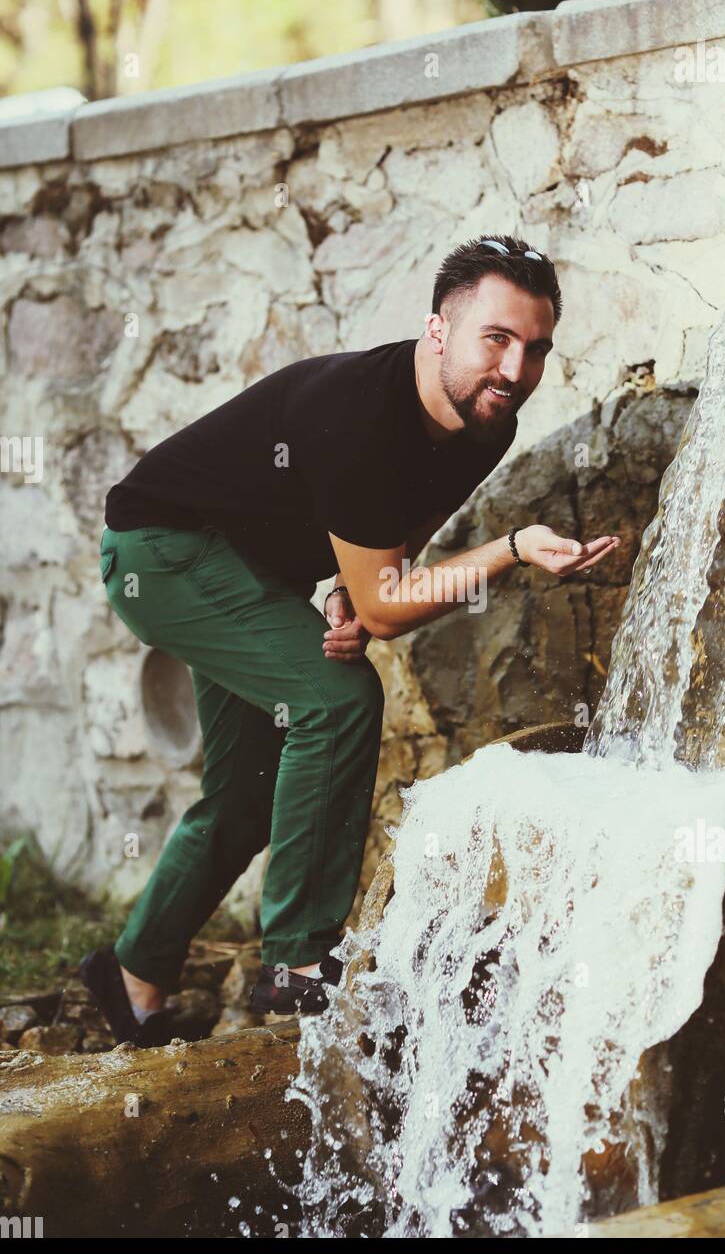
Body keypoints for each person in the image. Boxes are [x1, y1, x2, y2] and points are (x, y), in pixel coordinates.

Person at [80, 233, 620, 1046]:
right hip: (161, 553)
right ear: (438, 329)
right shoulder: (362, 418)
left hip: (247, 572)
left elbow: (397, 547)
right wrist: (509, 551)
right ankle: (296, 961)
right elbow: (394, 606)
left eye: (536, 349)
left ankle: (132, 974)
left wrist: (349, 595)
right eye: (496, 340)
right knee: (336, 698)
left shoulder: (485, 420)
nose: (515, 370)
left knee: (250, 788)